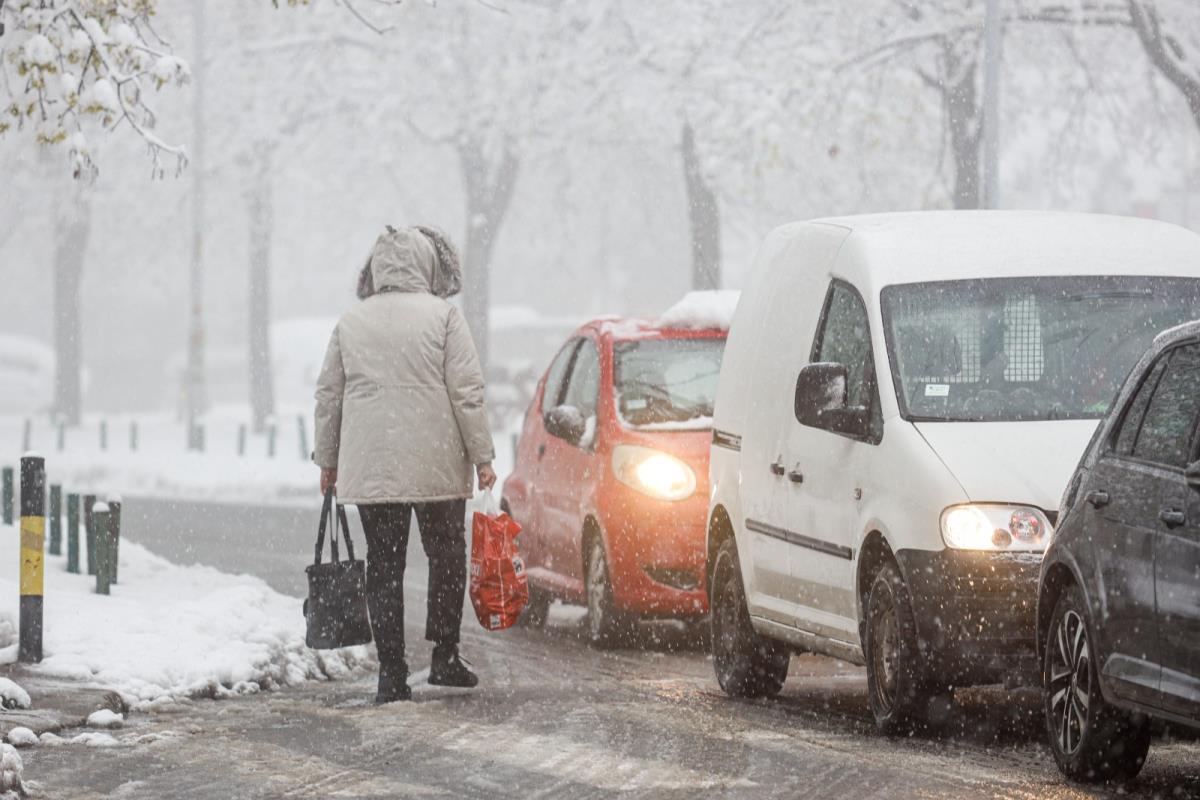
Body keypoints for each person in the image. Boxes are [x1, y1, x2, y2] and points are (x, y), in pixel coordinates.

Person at [313, 225, 497, 704]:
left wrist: (327, 460)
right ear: (426, 265)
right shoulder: (444, 318)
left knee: (385, 564)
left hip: (373, 464)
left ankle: (391, 673)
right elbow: (467, 391)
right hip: (436, 463)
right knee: (446, 554)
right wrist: (483, 457)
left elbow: (329, 395)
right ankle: (443, 655)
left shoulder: (351, 322)